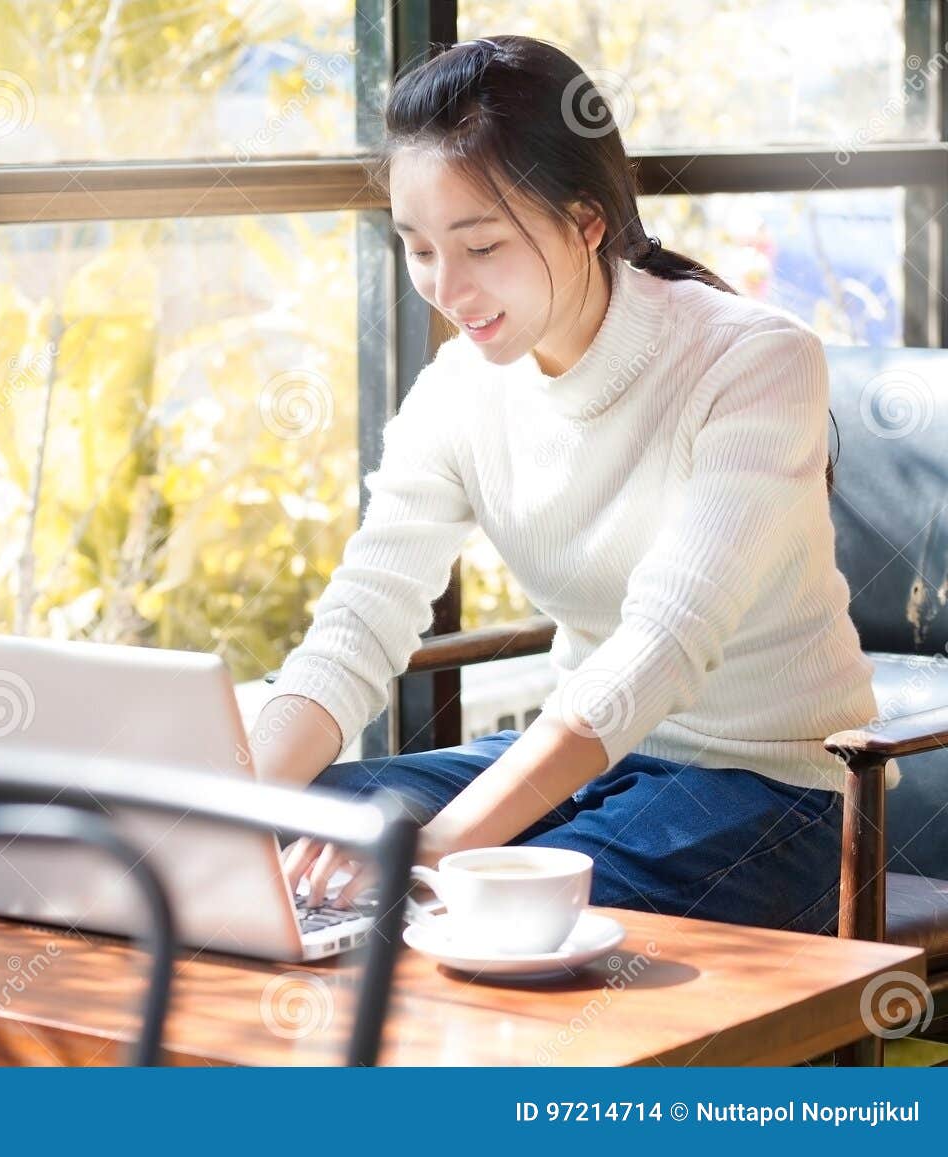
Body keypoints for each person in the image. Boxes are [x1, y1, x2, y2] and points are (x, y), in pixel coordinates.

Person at [250, 35, 896, 933]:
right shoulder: (459, 391)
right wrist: (226, 815)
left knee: (465, 909)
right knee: (293, 835)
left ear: (588, 220)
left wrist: (433, 851)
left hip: (768, 795)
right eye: (419, 247)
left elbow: (663, 643)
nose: (448, 287)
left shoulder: (755, 362)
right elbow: (361, 618)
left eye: (480, 245)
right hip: (588, 766)